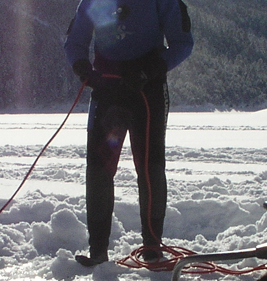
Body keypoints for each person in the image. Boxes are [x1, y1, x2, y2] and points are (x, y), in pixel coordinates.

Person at [63, 0, 193, 266]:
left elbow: (183, 43)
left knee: (150, 168)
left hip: (148, 90)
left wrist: (153, 68)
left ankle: (152, 248)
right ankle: (98, 251)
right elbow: (75, 42)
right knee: (99, 168)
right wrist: (82, 68)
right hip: (107, 91)